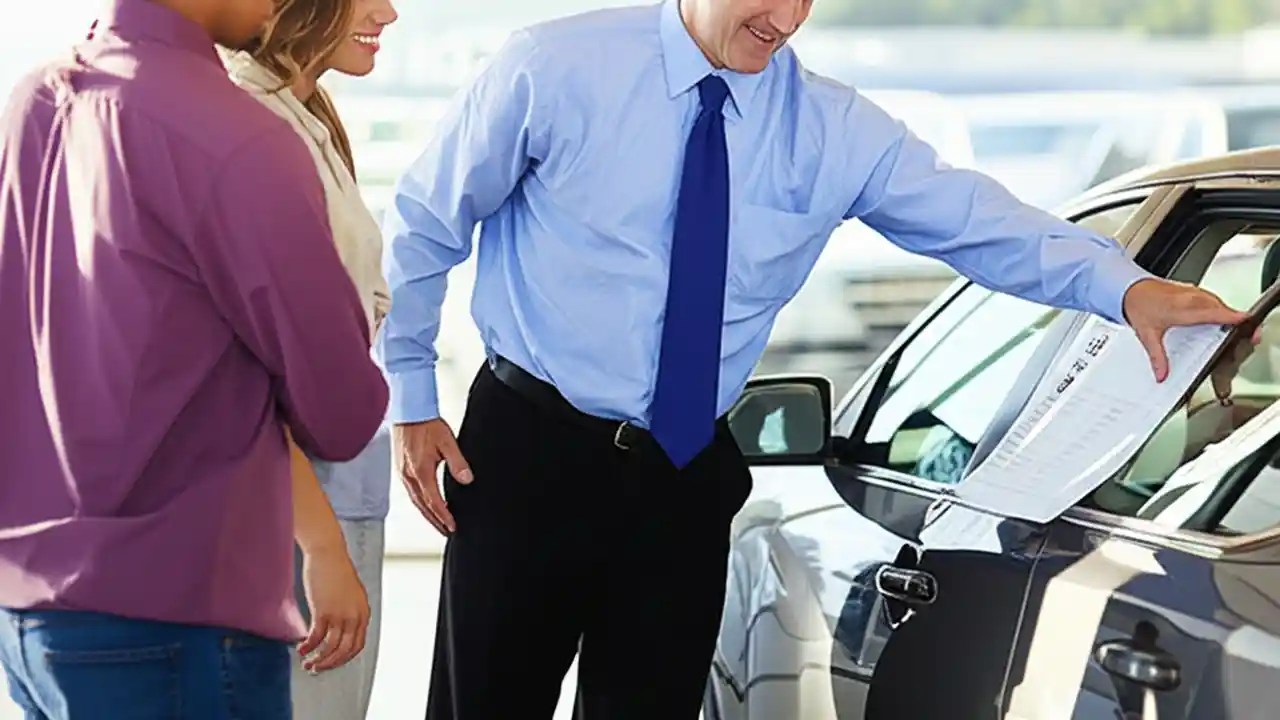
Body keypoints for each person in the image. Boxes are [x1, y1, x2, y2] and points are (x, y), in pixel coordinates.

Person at [377, 0, 1250, 717]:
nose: (788, 17)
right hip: (531, 452)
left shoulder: (832, 129)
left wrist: (1128, 289)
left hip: (680, 478)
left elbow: (981, 222)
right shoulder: (555, 67)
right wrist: (413, 399)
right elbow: (425, 221)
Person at [0, 0, 388, 717]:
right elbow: (343, 411)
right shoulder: (236, 136)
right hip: (175, 619)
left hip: (31, 610)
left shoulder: (37, 100)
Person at [223, 0, 398, 716]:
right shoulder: (245, 119)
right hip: (292, 504)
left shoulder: (310, 114)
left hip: (336, 487)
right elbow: (245, 372)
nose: (389, 14)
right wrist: (322, 548)